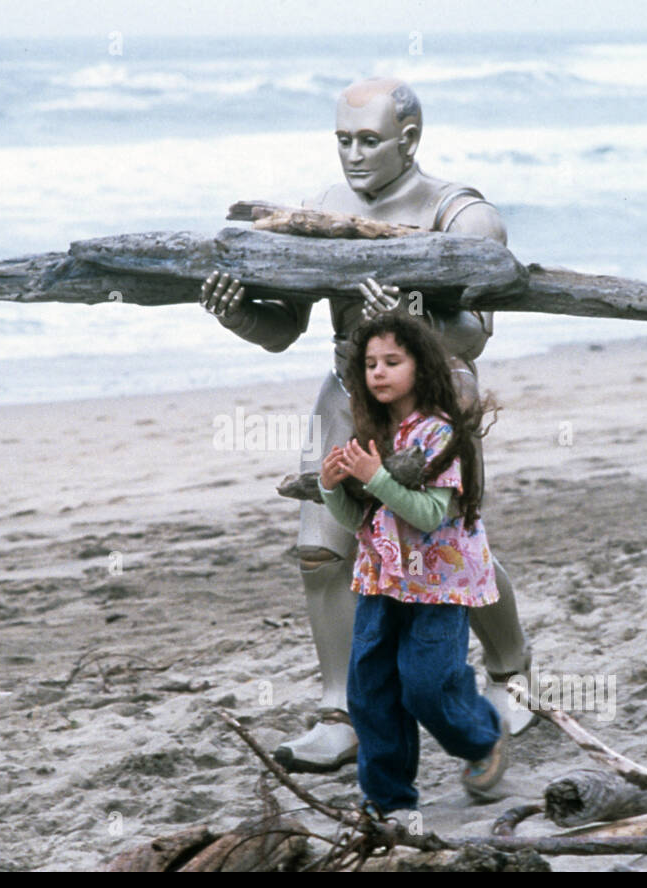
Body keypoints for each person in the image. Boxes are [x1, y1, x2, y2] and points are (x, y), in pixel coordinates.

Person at [199, 77, 533, 774]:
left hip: (433, 395)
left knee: (447, 542)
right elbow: (283, 328)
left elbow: (476, 334)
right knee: (323, 547)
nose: (353, 154)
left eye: (369, 140)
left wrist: (419, 319)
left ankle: (509, 669)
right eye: (343, 140)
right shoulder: (318, 210)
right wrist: (235, 313)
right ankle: (340, 711)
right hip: (349, 394)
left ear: (409, 140)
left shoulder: (462, 215)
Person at [318, 306, 507, 812]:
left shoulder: (440, 433)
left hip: (440, 583)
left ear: (420, 367)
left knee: (426, 686)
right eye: (371, 363)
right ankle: (388, 799)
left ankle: (481, 736)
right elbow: (360, 518)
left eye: (392, 361)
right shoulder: (370, 433)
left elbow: (427, 515)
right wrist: (332, 487)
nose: (378, 371)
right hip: (380, 580)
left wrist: (377, 477)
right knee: (369, 692)